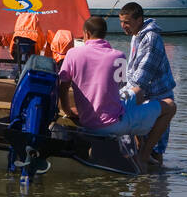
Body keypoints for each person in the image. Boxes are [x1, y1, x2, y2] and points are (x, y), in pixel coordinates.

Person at [58, 16, 165, 152]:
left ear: (87, 34)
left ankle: (139, 148)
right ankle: (145, 154)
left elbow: (63, 87)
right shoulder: (119, 56)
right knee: (169, 106)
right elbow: (121, 87)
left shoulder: (72, 54)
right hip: (114, 124)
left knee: (136, 94)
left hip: (87, 122)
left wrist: (68, 111)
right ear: (104, 34)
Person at [119, 1, 176, 169]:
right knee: (140, 142)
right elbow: (132, 72)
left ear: (139, 20)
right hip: (141, 93)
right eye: (121, 22)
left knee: (156, 147)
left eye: (127, 22)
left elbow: (143, 75)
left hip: (158, 95)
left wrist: (120, 97)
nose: (123, 26)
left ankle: (156, 184)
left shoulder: (151, 38)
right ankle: (143, 184)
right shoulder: (137, 36)